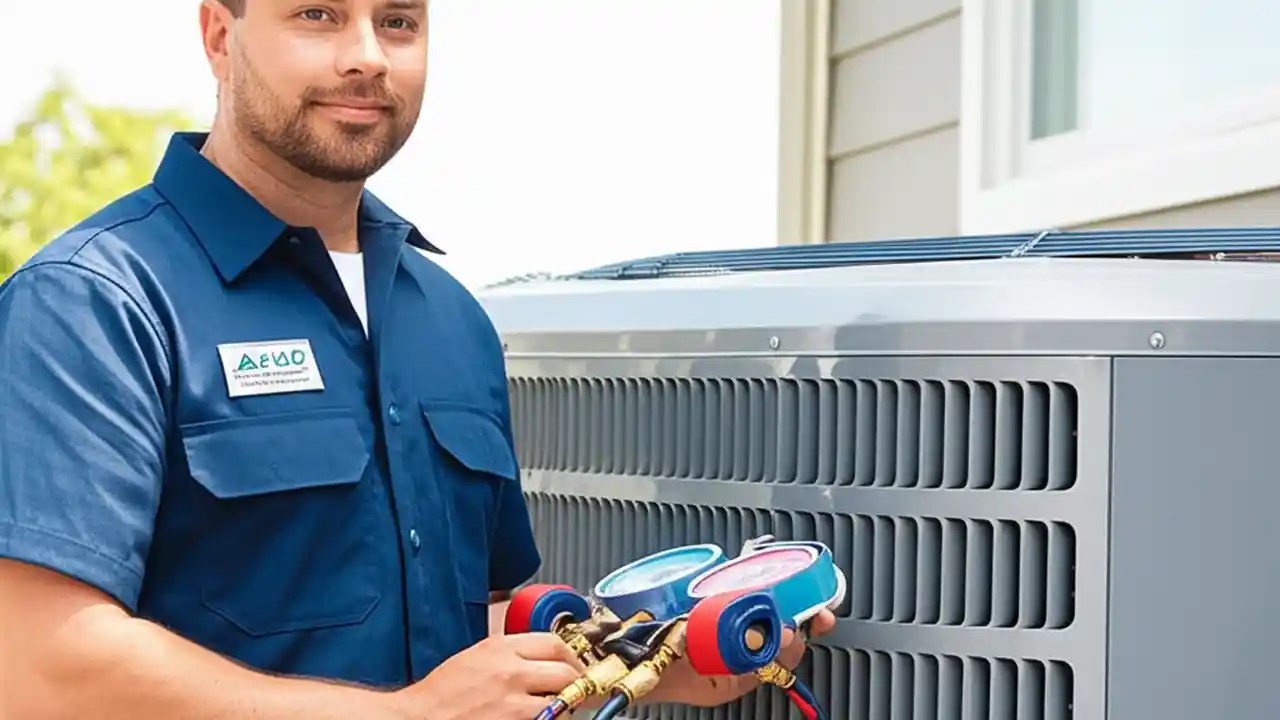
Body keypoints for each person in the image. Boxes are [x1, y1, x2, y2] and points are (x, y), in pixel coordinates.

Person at [0, 0, 834, 717]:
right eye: (318, 14)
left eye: (398, 21)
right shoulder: (95, 302)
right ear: (221, 34)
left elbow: (472, 618)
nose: (366, 55)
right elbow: (36, 669)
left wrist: (656, 661)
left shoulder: (449, 319)